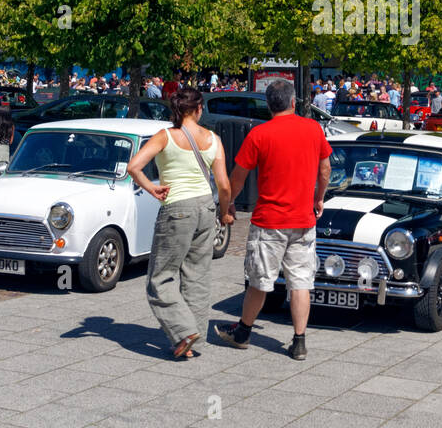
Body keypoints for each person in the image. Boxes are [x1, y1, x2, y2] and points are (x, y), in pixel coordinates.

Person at [217, 79, 331, 361]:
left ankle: (243, 332)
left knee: (260, 280)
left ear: (269, 105)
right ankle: (299, 341)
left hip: (269, 221)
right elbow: (325, 167)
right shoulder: (313, 129)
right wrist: (319, 197)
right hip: (303, 220)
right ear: (293, 102)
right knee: (301, 282)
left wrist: (229, 203)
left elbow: (238, 175)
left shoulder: (259, 134)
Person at [128, 87, 234, 361]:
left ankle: (184, 332)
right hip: (205, 207)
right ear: (199, 109)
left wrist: (152, 188)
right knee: (197, 275)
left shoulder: (165, 136)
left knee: (160, 277)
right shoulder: (213, 139)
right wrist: (224, 214)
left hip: (177, 209)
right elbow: (223, 185)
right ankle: (193, 337)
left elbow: (134, 166)